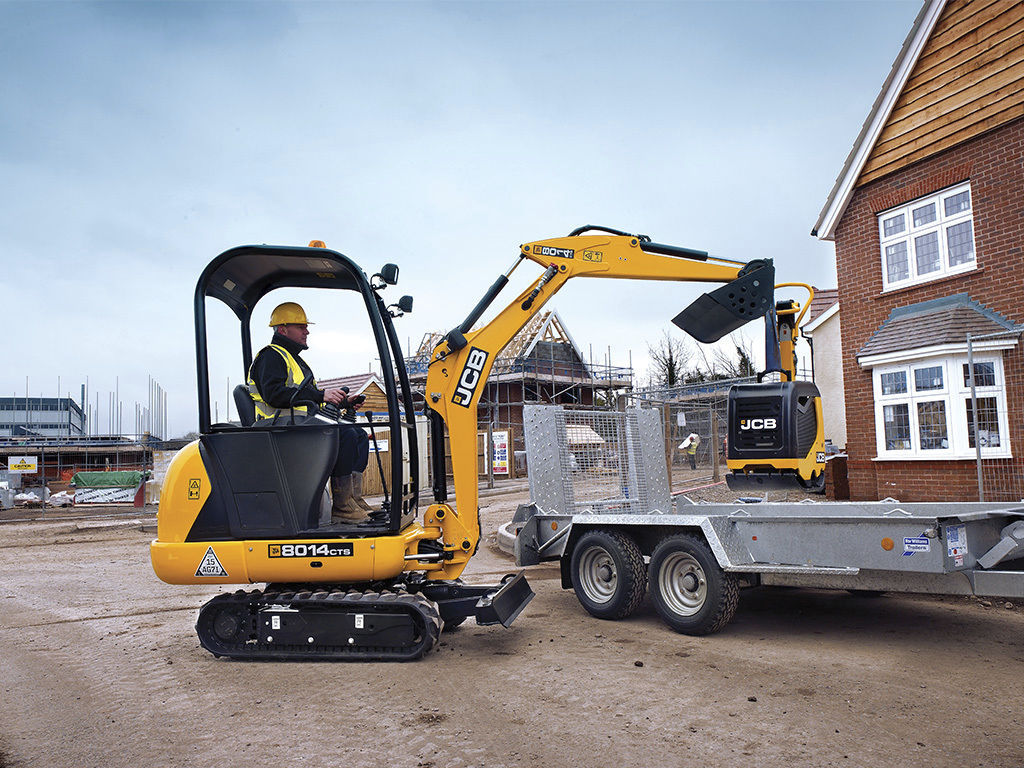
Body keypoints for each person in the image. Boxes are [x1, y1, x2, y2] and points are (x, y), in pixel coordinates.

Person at [247, 301, 372, 524]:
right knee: (345, 435)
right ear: (283, 329)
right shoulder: (271, 357)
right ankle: (342, 507)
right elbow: (274, 395)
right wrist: (320, 395)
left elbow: (308, 403)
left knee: (359, 435)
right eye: (301, 326)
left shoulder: (295, 360)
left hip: (299, 425)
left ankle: (352, 499)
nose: (307, 331)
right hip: (279, 429)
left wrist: (342, 404)